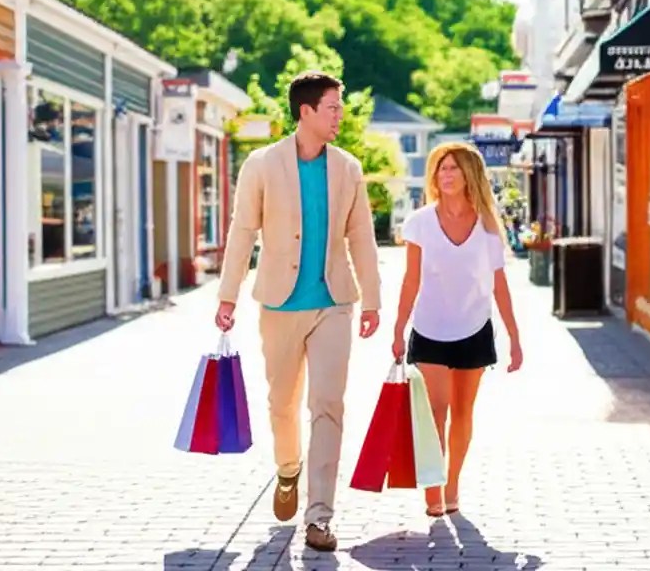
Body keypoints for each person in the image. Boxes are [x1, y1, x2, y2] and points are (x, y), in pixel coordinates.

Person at [214, 70, 381, 553]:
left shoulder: (347, 168)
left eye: (340, 106)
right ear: (305, 111)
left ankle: (320, 516)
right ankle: (289, 468)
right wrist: (227, 295)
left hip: (333, 304)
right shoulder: (262, 165)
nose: (339, 115)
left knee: (328, 405)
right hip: (279, 303)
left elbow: (362, 238)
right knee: (282, 403)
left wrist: (371, 298)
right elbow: (243, 231)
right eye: (332, 106)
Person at [389, 141, 523, 517]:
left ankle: (452, 485)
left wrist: (515, 337)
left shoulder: (488, 227)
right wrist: (398, 328)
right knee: (436, 410)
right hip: (430, 328)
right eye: (440, 168)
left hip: (474, 328)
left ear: (469, 175)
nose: (445, 175)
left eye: (453, 168)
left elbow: (500, 285)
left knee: (463, 413)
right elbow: (410, 280)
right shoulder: (419, 223)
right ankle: (433, 489)